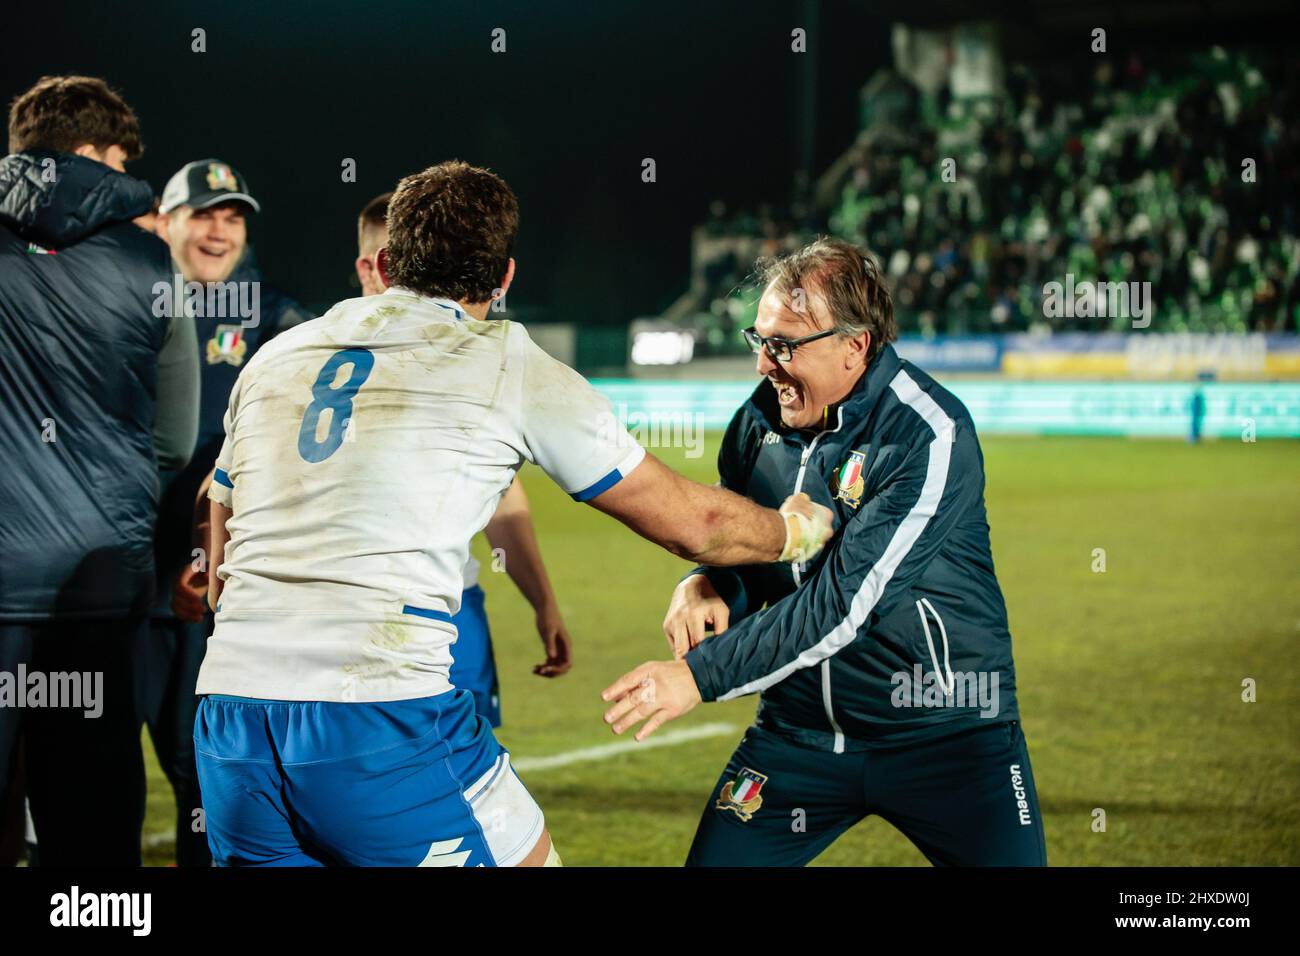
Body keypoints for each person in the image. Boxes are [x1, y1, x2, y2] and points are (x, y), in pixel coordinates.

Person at [194, 159, 832, 867]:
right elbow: (693, 525)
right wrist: (795, 527)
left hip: (229, 720)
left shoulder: (278, 357)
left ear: (386, 261)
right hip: (376, 716)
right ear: (504, 278)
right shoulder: (505, 362)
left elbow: (217, 559)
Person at [602, 237, 1046, 867]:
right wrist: (710, 581)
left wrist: (700, 677)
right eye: (760, 341)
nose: (764, 366)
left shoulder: (927, 435)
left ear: (854, 345)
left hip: (947, 737)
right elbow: (749, 546)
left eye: (784, 345)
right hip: (797, 738)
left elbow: (841, 604)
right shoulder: (757, 422)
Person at [0, 75, 200, 866]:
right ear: (87, 151)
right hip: (95, 589)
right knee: (88, 823)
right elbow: (175, 441)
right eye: (117, 157)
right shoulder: (153, 268)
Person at [137, 159, 313, 866]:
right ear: (165, 221)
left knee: (196, 769)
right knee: (81, 761)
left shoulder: (277, 320)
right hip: (113, 574)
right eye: (204, 213)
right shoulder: (127, 305)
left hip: (207, 588)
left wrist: (212, 555)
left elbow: (280, 456)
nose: (219, 230)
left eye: (232, 216)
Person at [356, 191, 572, 726]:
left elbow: (503, 502)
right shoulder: (319, 365)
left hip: (453, 611)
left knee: (470, 776)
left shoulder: (473, 364)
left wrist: (542, 601)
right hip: (347, 617)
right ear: (374, 267)